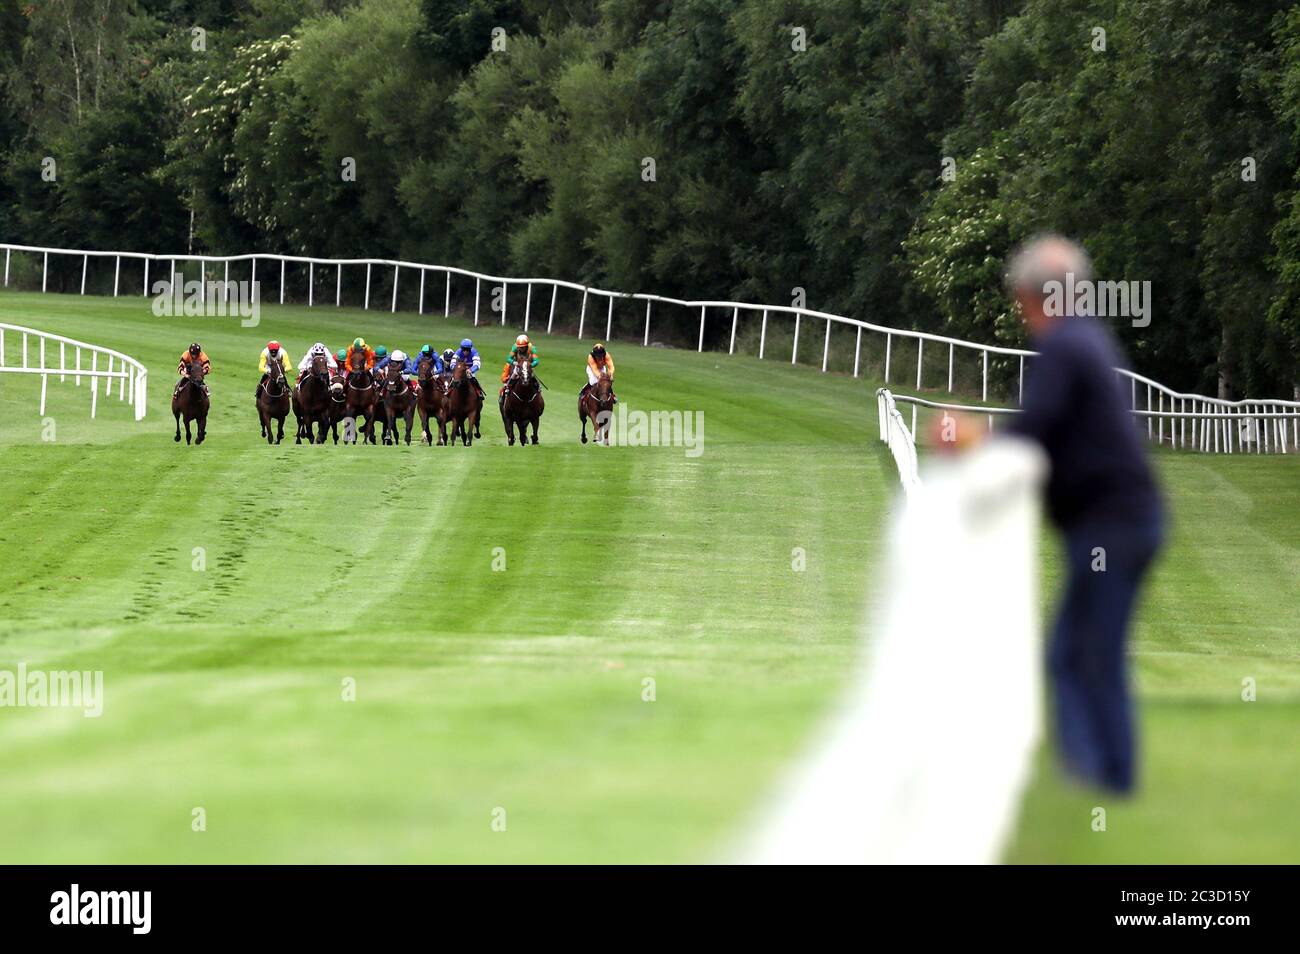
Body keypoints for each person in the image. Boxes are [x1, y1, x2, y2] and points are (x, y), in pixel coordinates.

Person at [955, 235, 1165, 794]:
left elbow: (1033, 428)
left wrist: (973, 439)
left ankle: (1100, 778)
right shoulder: (1085, 340)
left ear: (1033, 297)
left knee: (1081, 655)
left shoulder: (1065, 346)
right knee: (1082, 652)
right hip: (1125, 521)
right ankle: (1106, 774)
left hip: (1110, 525)